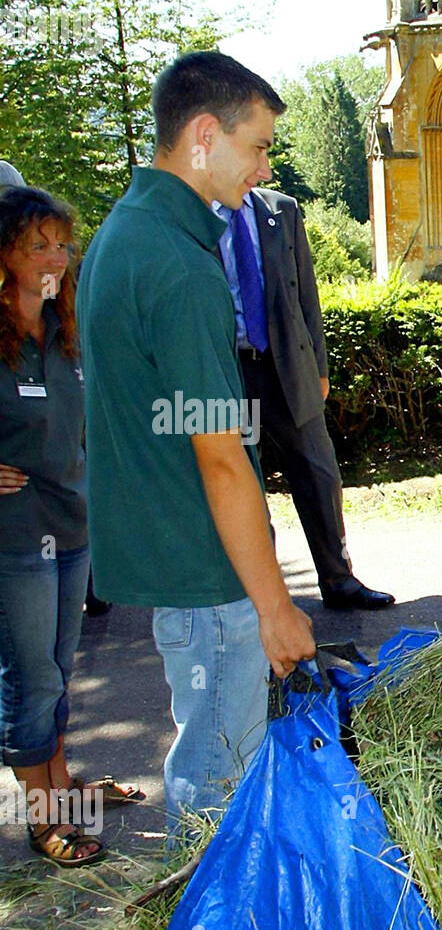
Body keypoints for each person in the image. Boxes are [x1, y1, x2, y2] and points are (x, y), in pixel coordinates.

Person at [77, 51, 316, 841]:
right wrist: (276, 607)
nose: (264, 166)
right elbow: (218, 456)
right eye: (257, 145)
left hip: (186, 563)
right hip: (210, 575)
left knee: (214, 771)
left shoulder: (126, 233)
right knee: (216, 790)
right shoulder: (178, 266)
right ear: (205, 135)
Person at [213, 184, 393, 611]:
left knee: (319, 474)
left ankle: (340, 579)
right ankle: (259, 594)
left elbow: (305, 293)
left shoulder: (281, 209)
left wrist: (320, 367)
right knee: (241, 480)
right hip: (225, 368)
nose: (263, 166)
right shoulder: (196, 210)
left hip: (287, 367)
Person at [0, 187, 103, 864]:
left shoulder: (68, 330)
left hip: (73, 527)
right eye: (39, 244)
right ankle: (41, 818)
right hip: (15, 534)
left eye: (62, 244)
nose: (56, 257)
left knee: (59, 671)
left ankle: (62, 790)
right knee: (31, 677)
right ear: (5, 253)